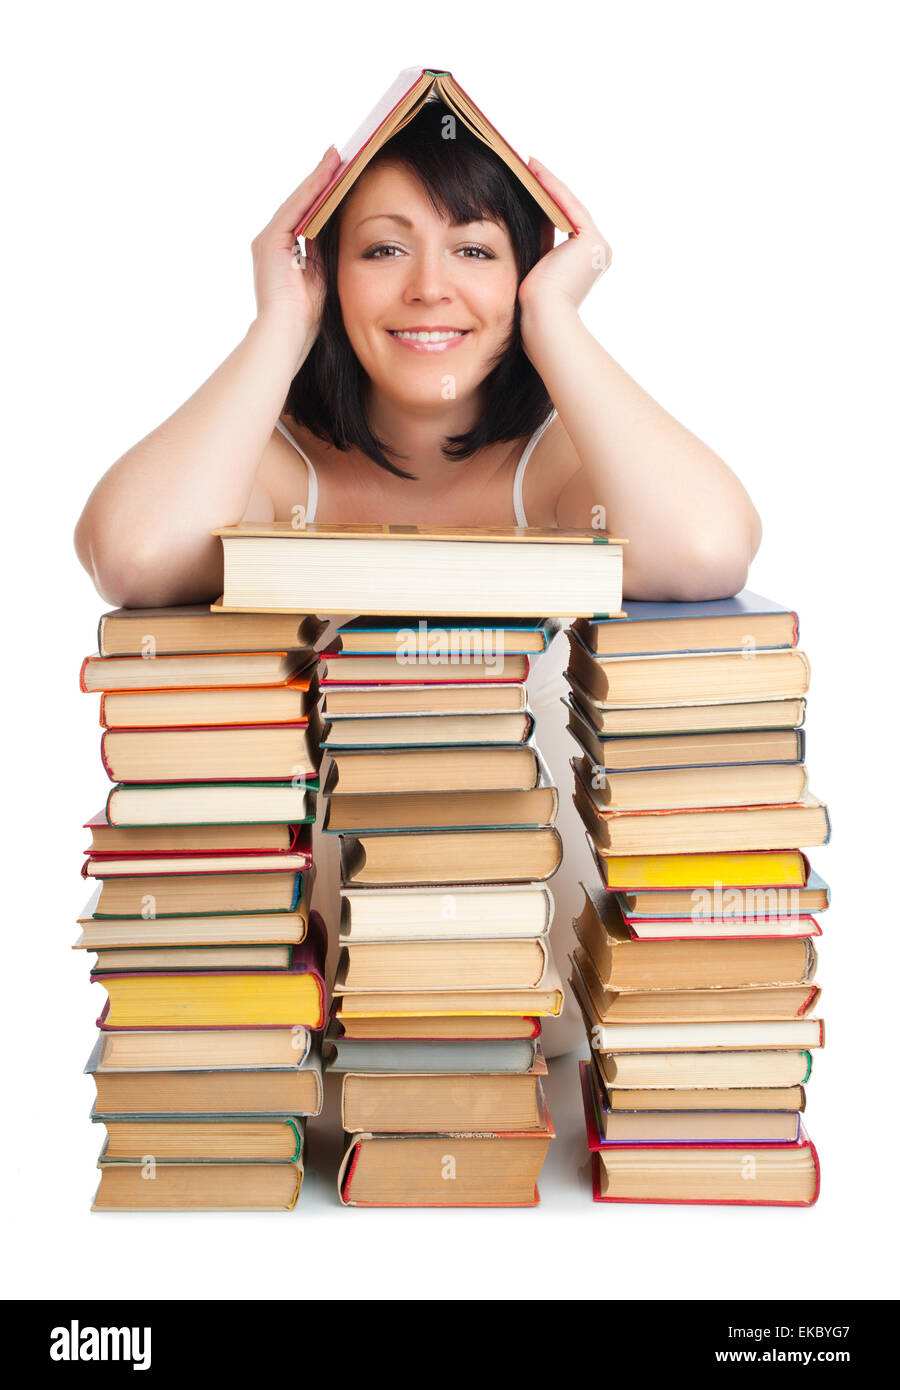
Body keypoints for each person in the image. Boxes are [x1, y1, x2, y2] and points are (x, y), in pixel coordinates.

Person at [75, 104, 762, 1053]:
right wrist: (281, 322)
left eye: (476, 252)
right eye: (384, 251)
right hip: (294, 1003)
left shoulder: (558, 468)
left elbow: (706, 548)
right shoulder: (277, 467)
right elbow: (134, 555)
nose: (430, 289)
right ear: (326, 269)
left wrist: (553, 319)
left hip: (525, 977)